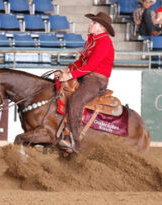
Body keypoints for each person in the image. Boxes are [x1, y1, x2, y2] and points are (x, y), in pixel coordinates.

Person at [54, 12, 115, 153]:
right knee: (61, 90)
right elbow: (81, 62)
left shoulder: (104, 41)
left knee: (76, 100)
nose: (90, 24)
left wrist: (70, 75)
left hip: (96, 80)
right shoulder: (92, 40)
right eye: (92, 22)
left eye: (94, 23)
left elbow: (90, 66)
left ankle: (74, 140)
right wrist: (66, 71)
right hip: (86, 76)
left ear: (102, 28)